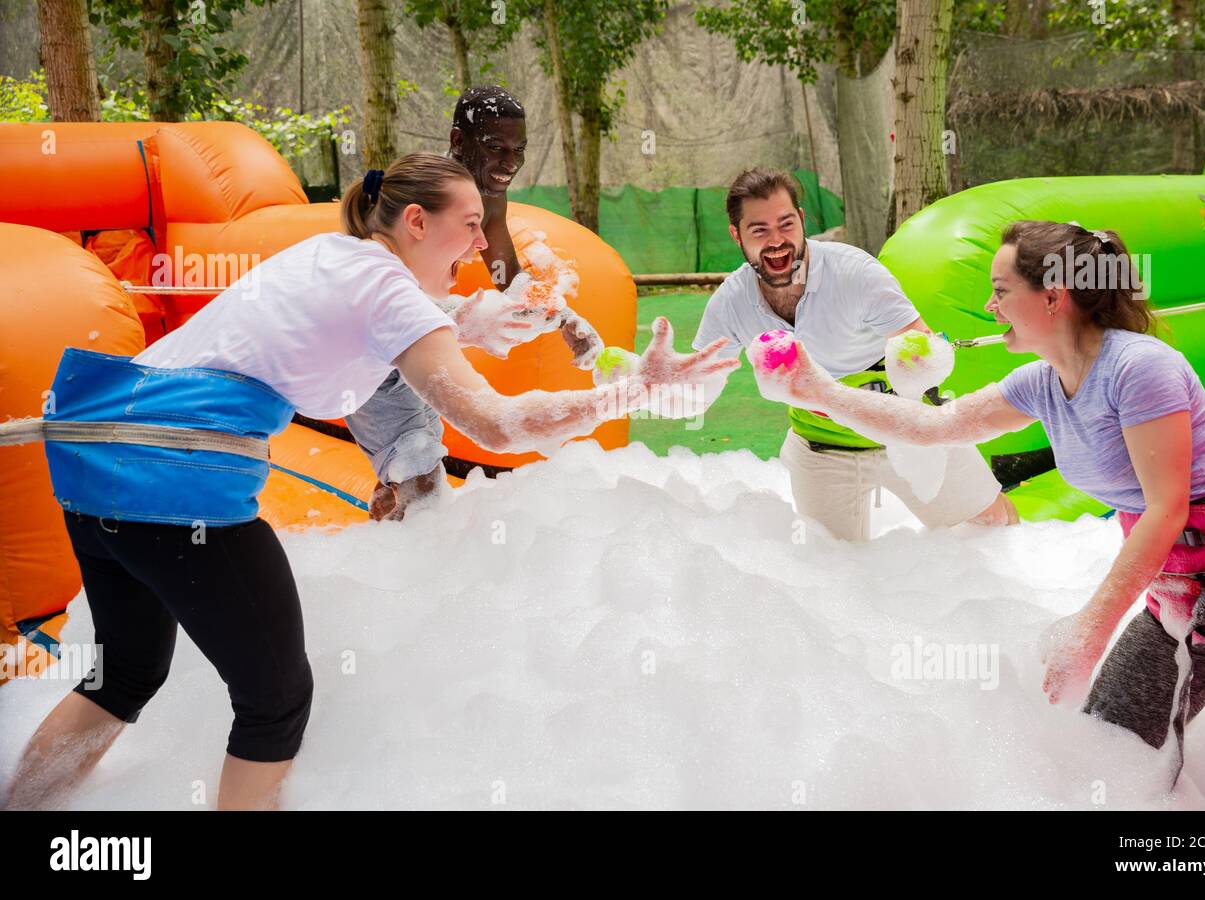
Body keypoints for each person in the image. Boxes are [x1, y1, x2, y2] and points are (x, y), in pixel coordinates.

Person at [3, 153, 737, 811]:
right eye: (471, 224)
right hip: (174, 474)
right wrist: (633, 389)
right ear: (417, 221)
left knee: (124, 674)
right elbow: (498, 426)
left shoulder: (330, 252)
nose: (483, 243)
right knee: (276, 699)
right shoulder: (389, 294)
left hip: (91, 454)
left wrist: (473, 323)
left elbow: (360, 321)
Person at [748, 219, 1205, 780]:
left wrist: (1087, 633)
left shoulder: (1140, 368)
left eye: (1001, 291)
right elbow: (933, 426)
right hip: (1183, 600)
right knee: (1112, 747)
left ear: (1053, 297)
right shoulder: (1041, 382)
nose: (990, 306)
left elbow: (1166, 510)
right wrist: (820, 391)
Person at [692, 168, 1017, 541]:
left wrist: (922, 357)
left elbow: (918, 340)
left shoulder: (853, 273)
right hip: (822, 450)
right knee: (834, 572)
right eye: (759, 230)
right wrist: (658, 387)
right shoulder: (731, 303)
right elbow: (696, 386)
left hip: (908, 433)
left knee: (993, 525)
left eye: (786, 224)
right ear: (737, 235)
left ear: (801, 219)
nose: (777, 241)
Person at [348, 86, 600, 520]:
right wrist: (466, 318)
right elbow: (383, 300)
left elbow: (506, 276)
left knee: (415, 465)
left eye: (518, 150)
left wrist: (563, 317)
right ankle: (404, 568)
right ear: (459, 140)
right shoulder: (425, 193)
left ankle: (386, 544)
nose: (509, 164)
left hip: (410, 338)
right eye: (495, 148)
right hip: (372, 340)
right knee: (417, 464)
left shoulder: (485, 193)